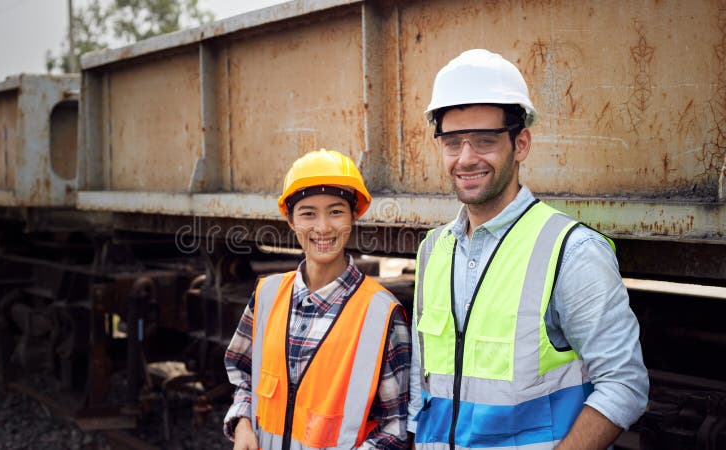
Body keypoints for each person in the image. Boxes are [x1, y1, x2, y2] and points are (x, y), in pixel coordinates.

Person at [407, 49, 649, 450]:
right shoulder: (433, 249)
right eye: (452, 142)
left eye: (484, 140)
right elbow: (424, 385)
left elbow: (624, 384)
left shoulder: (571, 251)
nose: (466, 158)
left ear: (521, 143)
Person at [224, 149, 411, 450]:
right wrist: (242, 423)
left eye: (336, 211)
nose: (323, 227)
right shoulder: (266, 296)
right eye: (308, 213)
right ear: (290, 221)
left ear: (353, 217)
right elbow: (244, 379)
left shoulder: (382, 314)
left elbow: (396, 428)